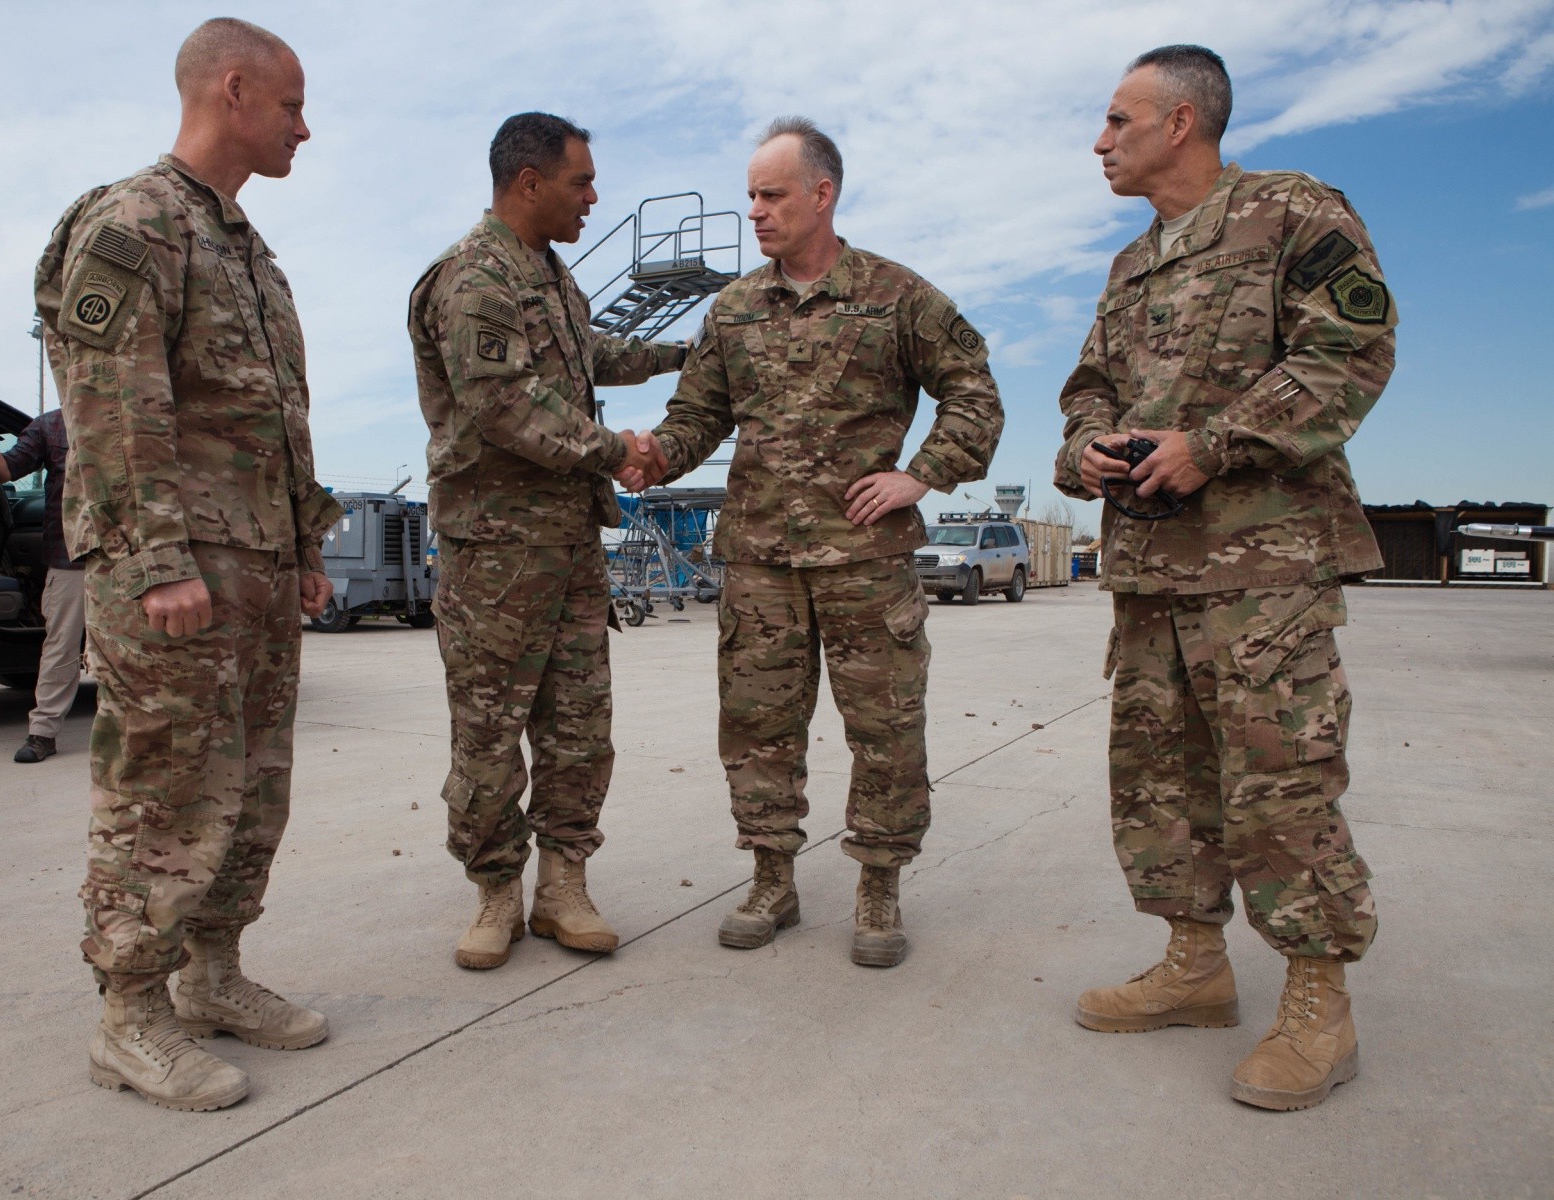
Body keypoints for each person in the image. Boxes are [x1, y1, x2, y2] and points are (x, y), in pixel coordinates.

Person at [1054, 45, 1393, 1111]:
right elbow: (1083, 391)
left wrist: (1216, 442)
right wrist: (1087, 450)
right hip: (1152, 574)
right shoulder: (1129, 266)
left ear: (1182, 122)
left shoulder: (1292, 212)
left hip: (1266, 570)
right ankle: (1195, 967)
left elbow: (1351, 352)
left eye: (1118, 120)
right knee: (1162, 784)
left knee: (1279, 787)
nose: (1100, 141)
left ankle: (1319, 1007)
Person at [33, 17, 344, 1111]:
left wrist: (306, 547)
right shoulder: (135, 223)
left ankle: (214, 976)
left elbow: (276, 419)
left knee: (253, 785)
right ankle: (130, 1014)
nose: (306, 127)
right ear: (234, 89)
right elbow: (114, 408)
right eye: (293, 104)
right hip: (176, 569)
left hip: (255, 564)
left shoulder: (248, 251)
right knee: (165, 787)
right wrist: (159, 558)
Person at [638, 117, 1003, 967]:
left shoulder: (898, 296)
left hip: (866, 562)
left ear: (822, 194)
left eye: (771, 195)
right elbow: (697, 416)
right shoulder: (732, 310)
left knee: (885, 726)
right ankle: (773, 878)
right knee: (759, 726)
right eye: (751, 197)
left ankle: (879, 885)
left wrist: (923, 473)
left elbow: (974, 394)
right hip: (761, 561)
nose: (756, 213)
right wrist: (654, 456)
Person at [408, 112, 682, 971]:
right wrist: (617, 450)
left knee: (577, 724)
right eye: (581, 182)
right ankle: (496, 891)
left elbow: (585, 355)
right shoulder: (474, 278)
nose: (594, 197)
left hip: (568, 544)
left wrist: (683, 352)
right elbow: (505, 406)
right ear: (530, 182)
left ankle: (564, 884)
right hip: (495, 552)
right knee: (490, 729)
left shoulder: (554, 280)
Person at [0, 398, 82, 764]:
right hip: (71, 556)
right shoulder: (52, 425)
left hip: (126, 555)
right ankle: (43, 733)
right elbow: (5, 470)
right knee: (61, 648)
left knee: (133, 650)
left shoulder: (135, 417)